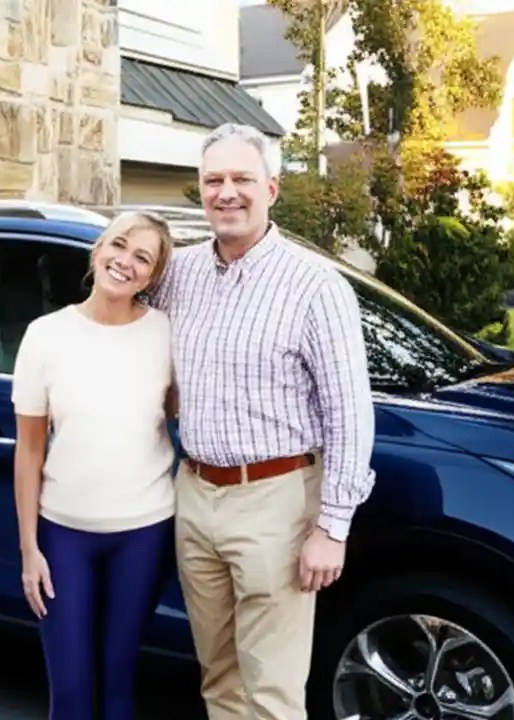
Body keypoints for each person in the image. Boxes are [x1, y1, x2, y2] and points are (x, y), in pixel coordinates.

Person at [149, 123, 376, 720]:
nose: (227, 193)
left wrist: (333, 527)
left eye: (242, 179)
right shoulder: (180, 275)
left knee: (272, 692)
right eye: (213, 181)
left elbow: (349, 412)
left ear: (272, 188)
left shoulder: (315, 286)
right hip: (196, 496)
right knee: (218, 675)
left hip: (277, 501)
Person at [11, 210, 178, 720]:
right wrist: (29, 551)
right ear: (97, 249)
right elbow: (30, 450)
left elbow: (179, 411)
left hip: (144, 533)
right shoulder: (45, 336)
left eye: (142, 258)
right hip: (65, 535)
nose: (125, 262)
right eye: (119, 245)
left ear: (152, 276)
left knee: (118, 687)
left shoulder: (165, 334)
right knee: (73, 693)